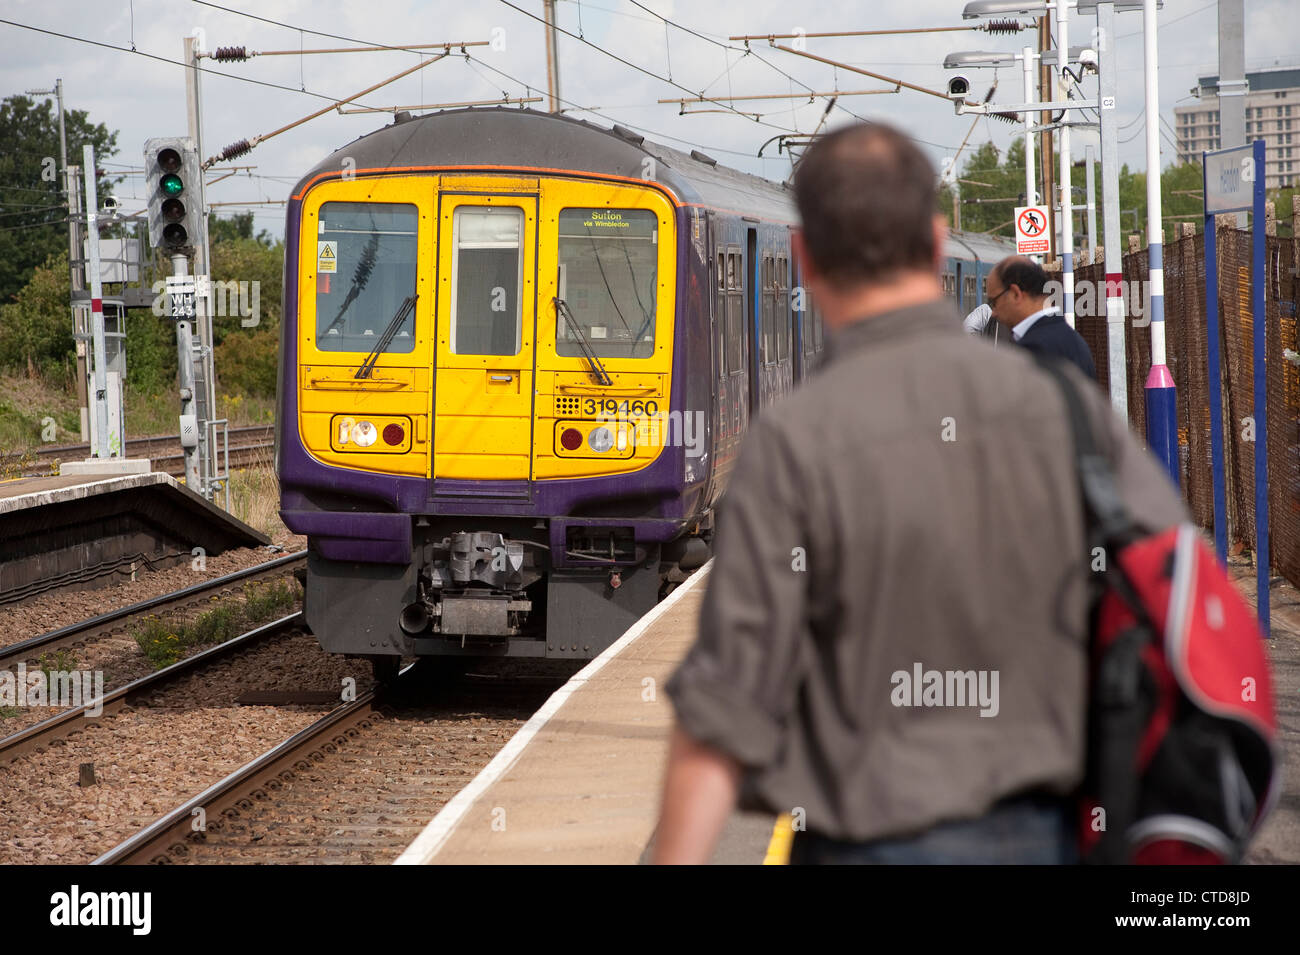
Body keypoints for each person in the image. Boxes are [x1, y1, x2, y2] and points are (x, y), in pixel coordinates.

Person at [652, 122, 1186, 865]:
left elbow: (728, 700)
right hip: (1045, 830)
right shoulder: (1063, 406)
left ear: (804, 259)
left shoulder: (798, 437)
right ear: (937, 246)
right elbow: (1174, 588)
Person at [986, 256, 1097, 378]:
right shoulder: (1072, 339)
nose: (993, 313)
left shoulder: (1034, 350)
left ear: (1015, 294)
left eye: (993, 302)